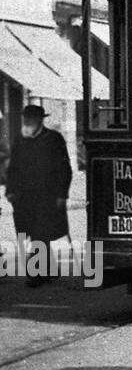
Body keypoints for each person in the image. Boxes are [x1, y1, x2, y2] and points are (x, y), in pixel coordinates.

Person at [5, 106, 72, 288]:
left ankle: (35, 273)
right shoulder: (20, 140)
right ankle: (49, 270)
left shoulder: (53, 139)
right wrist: (10, 190)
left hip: (47, 196)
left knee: (40, 232)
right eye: (26, 118)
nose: (27, 121)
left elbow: (64, 168)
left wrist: (61, 194)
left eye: (31, 118)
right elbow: (13, 168)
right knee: (33, 232)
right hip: (24, 197)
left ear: (40, 120)